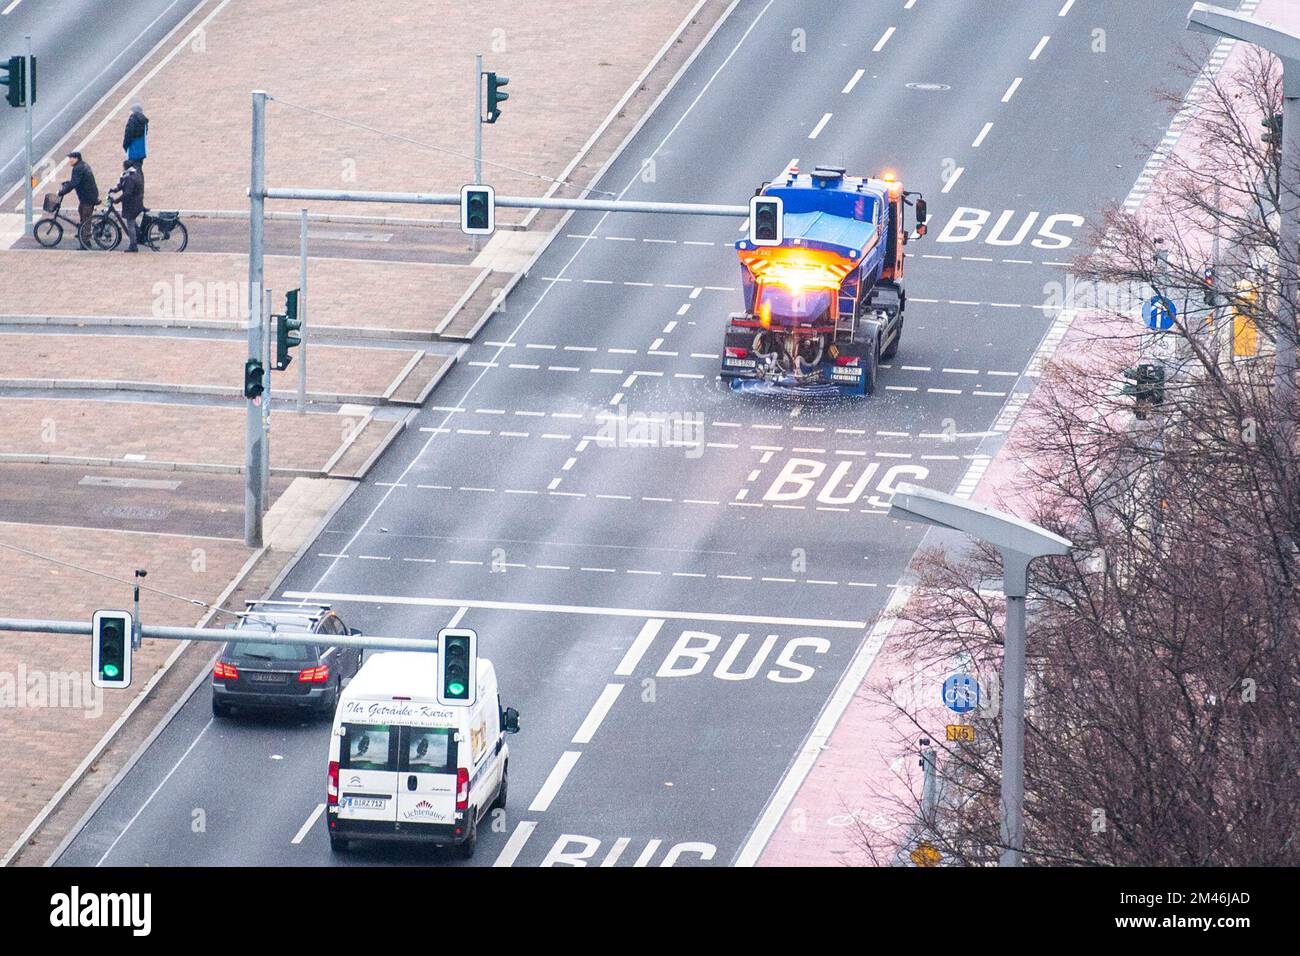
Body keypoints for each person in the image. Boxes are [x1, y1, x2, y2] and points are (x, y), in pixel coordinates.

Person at [56, 151, 99, 248]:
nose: (69, 160)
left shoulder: (78, 168)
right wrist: (68, 183)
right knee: (82, 214)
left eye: (71, 158)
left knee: (86, 219)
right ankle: (82, 235)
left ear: (76, 159)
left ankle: (85, 243)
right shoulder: (82, 165)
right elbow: (77, 181)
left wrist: (62, 192)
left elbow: (74, 183)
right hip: (88, 196)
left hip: (88, 197)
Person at [109, 160, 144, 252]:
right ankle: (138, 235)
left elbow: (127, 193)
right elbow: (123, 185)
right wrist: (115, 190)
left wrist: (116, 200)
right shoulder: (134, 175)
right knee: (132, 222)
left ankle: (133, 245)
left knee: (130, 224)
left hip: (132, 204)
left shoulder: (129, 178)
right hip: (137, 203)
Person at [123, 104, 148, 170]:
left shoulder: (132, 120)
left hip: (132, 151)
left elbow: (128, 135)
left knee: (132, 171)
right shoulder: (144, 121)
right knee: (139, 169)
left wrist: (125, 146)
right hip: (141, 151)